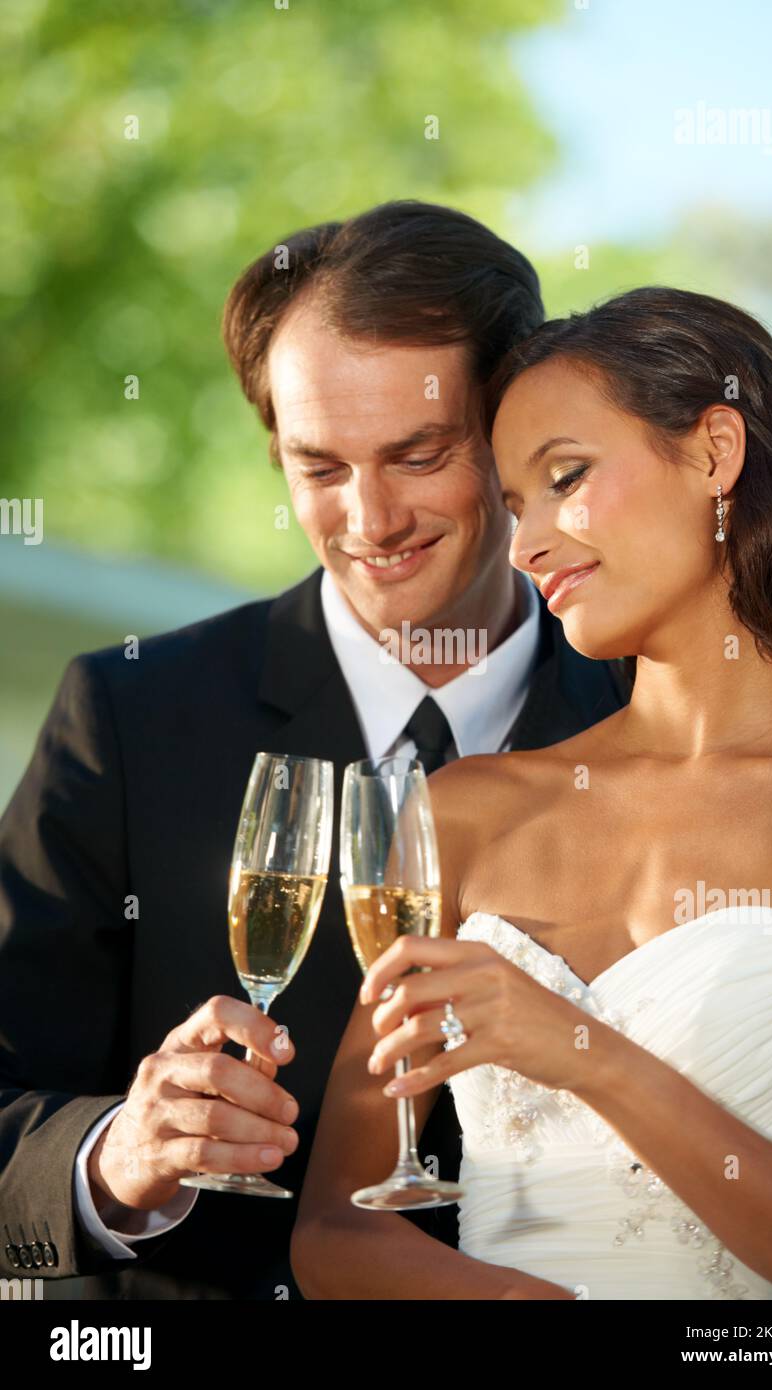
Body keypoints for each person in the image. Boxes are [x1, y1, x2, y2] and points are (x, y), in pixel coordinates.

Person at [0, 201, 627, 1300]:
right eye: (319, 466)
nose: (370, 518)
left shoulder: (659, 715)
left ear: (512, 430)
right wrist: (121, 1156)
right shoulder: (130, 714)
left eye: (417, 454)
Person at [293, 286, 772, 1300]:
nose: (525, 547)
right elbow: (335, 1229)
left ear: (712, 451)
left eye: (565, 478)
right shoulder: (462, 811)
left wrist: (588, 1056)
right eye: (514, 508)